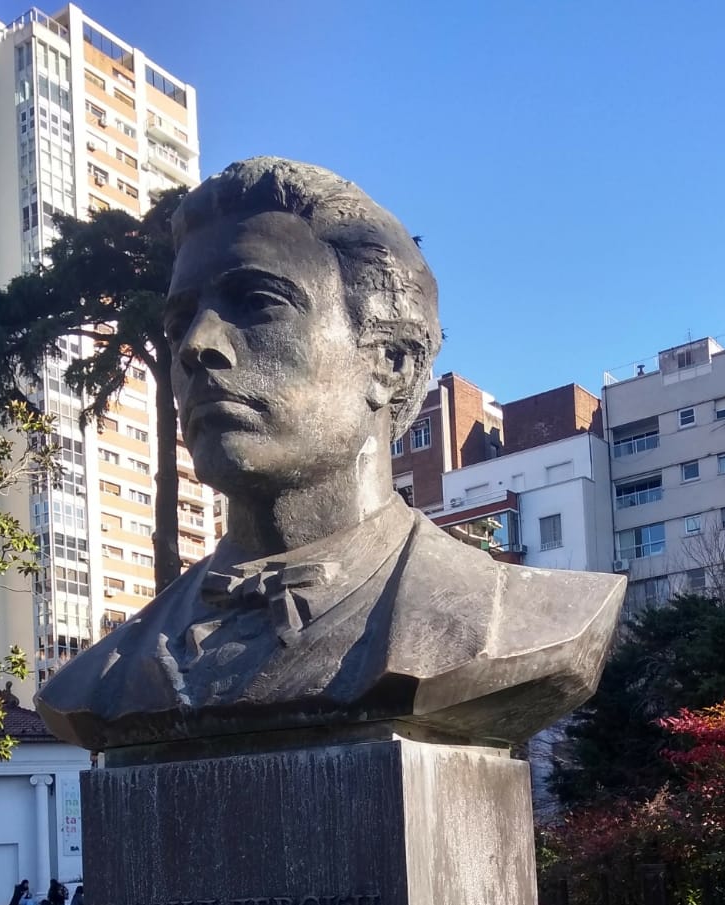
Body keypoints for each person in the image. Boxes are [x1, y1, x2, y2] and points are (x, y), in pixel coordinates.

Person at [36, 157, 623, 753]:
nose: (196, 346)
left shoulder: (513, 619)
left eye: (259, 302)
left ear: (391, 362)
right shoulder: (102, 679)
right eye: (179, 323)